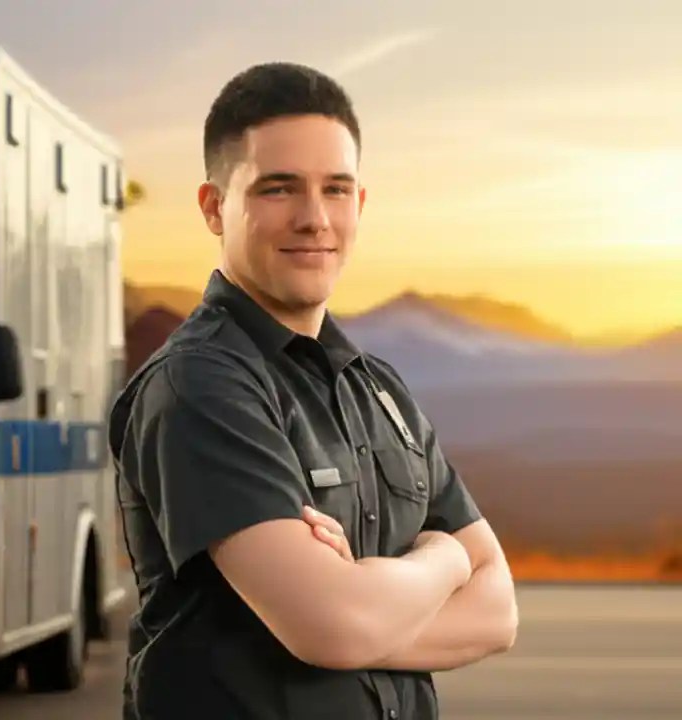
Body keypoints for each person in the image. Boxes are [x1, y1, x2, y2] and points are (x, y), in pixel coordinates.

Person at [108, 62, 519, 719]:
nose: (313, 218)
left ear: (359, 205)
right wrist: (441, 561)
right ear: (215, 208)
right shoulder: (200, 385)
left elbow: (498, 611)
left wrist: (363, 605)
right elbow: (334, 627)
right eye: (278, 189)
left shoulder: (378, 389)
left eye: (335, 189)